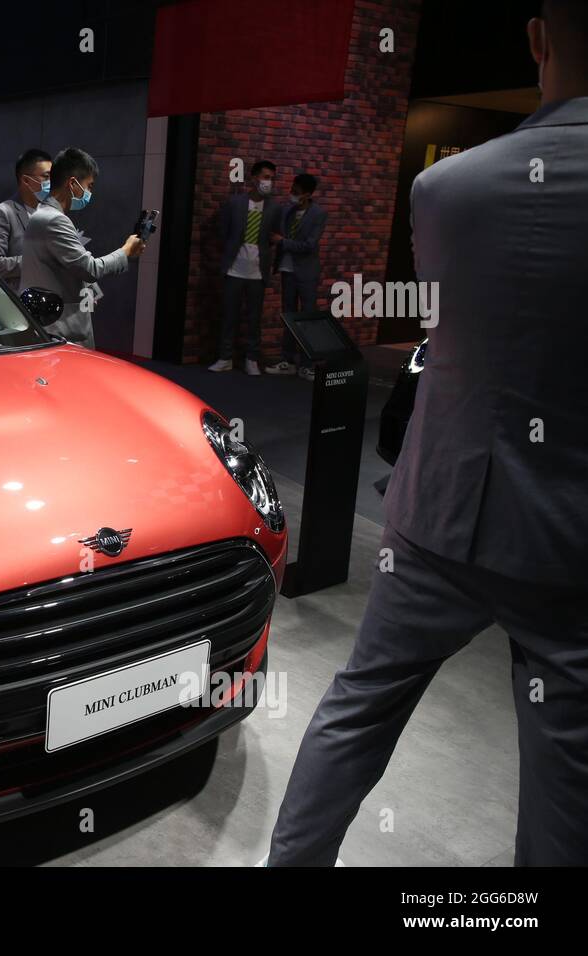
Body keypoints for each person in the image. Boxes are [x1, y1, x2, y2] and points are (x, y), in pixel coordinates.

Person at [266, 0, 588, 867]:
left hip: (439, 511)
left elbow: (462, 330)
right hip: (568, 544)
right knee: (566, 772)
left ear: (537, 39)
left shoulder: (445, 188)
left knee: (356, 709)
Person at [19, 146, 145, 349]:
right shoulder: (54, 220)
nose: (90, 192)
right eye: (90, 185)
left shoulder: (43, 215)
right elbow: (90, 269)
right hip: (60, 328)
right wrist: (125, 252)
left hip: (52, 323)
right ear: (72, 183)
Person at [210, 160, 281, 375]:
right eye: (265, 177)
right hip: (234, 268)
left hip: (258, 271)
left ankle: (252, 359)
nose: (268, 182)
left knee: (254, 317)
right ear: (254, 178)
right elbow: (223, 231)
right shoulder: (235, 203)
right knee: (229, 315)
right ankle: (225, 357)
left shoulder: (274, 208)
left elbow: (273, 236)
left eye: (271, 178)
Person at [266, 173, 327, 380]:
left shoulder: (318, 214)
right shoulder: (288, 211)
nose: (292, 194)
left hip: (306, 272)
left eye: (296, 192)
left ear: (308, 195)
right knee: (289, 316)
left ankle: (308, 364)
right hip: (287, 269)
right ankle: (288, 360)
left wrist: (282, 241)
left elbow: (309, 245)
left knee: (307, 318)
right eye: (292, 190)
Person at [0, 148, 52, 286]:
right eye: (46, 176)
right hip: (19, 301)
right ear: (26, 180)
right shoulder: (3, 213)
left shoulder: (50, 211)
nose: (51, 182)